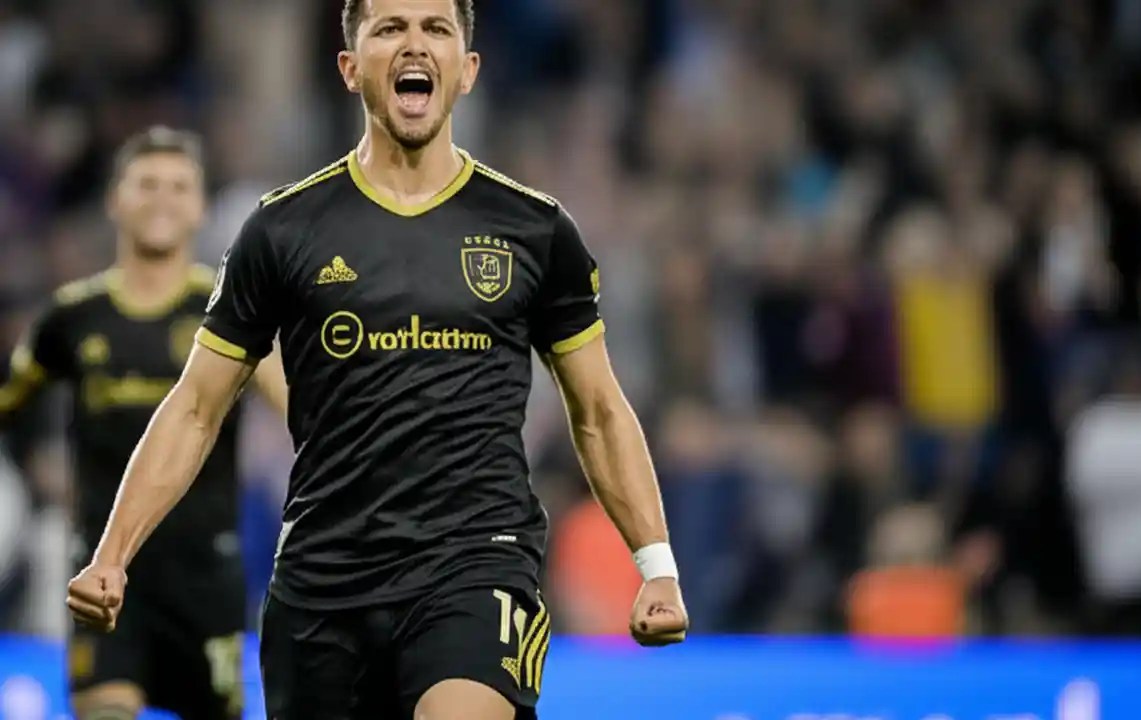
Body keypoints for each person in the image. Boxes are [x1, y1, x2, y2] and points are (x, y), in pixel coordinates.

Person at [67, 1, 690, 719]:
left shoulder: (535, 230)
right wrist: (112, 555)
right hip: (322, 585)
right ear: (349, 67)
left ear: (468, 70)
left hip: (475, 564)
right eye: (390, 28)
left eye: (436, 29)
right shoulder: (281, 230)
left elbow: (599, 410)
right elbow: (196, 408)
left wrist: (656, 565)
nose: (414, 44)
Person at [0, 126, 288, 720]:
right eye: (147, 184)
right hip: (103, 580)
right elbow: (12, 403)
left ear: (201, 206)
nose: (163, 199)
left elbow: (305, 414)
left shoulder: (231, 312)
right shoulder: (73, 317)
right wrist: (36, 466)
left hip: (206, 579)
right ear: (115, 199)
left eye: (179, 187)